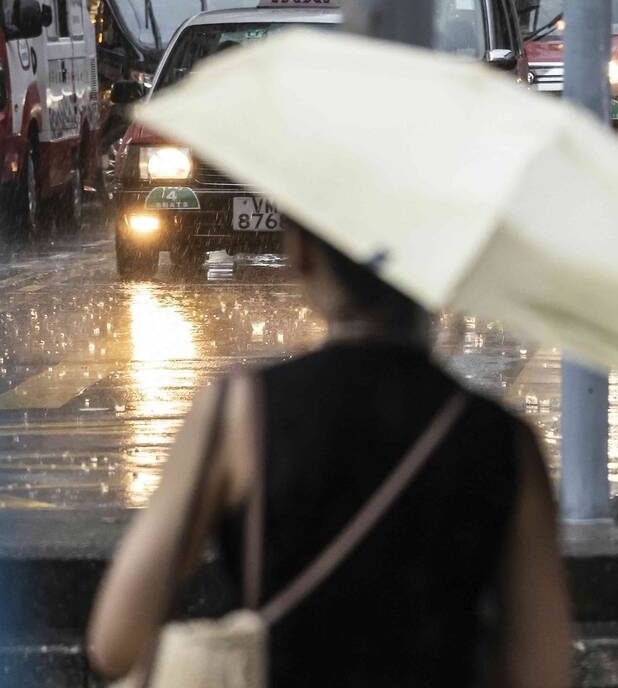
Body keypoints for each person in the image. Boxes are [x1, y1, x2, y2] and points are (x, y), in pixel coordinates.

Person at [87, 221, 572, 688]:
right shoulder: (502, 438)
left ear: (300, 252)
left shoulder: (239, 413)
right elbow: (540, 671)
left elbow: (117, 641)